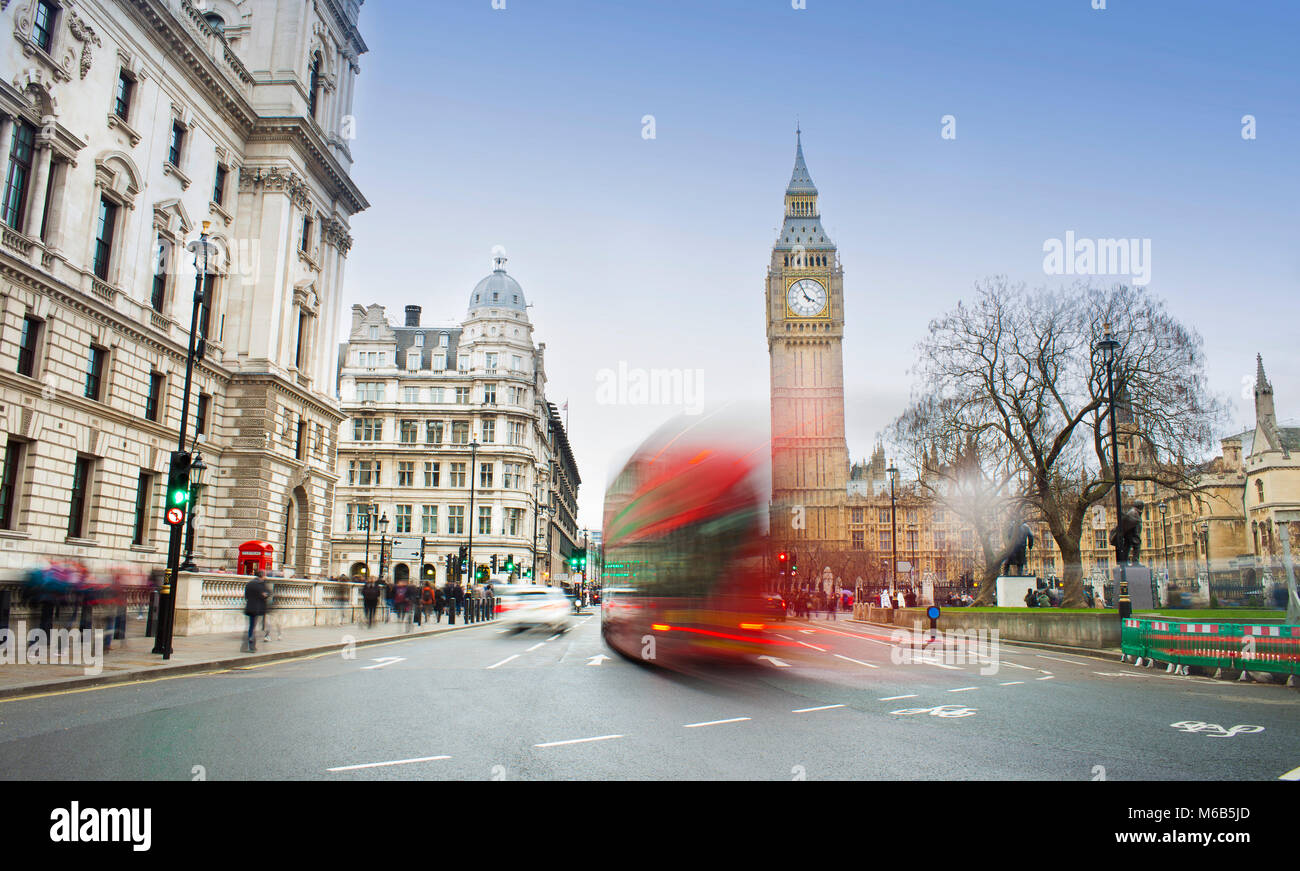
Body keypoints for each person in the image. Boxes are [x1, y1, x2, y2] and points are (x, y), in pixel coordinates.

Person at [243, 570, 270, 651]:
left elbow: (246, 596)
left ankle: (250, 638)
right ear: (262, 576)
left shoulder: (249, 583)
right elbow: (265, 595)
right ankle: (252, 643)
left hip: (249, 606)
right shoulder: (260, 584)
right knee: (255, 625)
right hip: (258, 607)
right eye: (265, 575)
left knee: (251, 625)